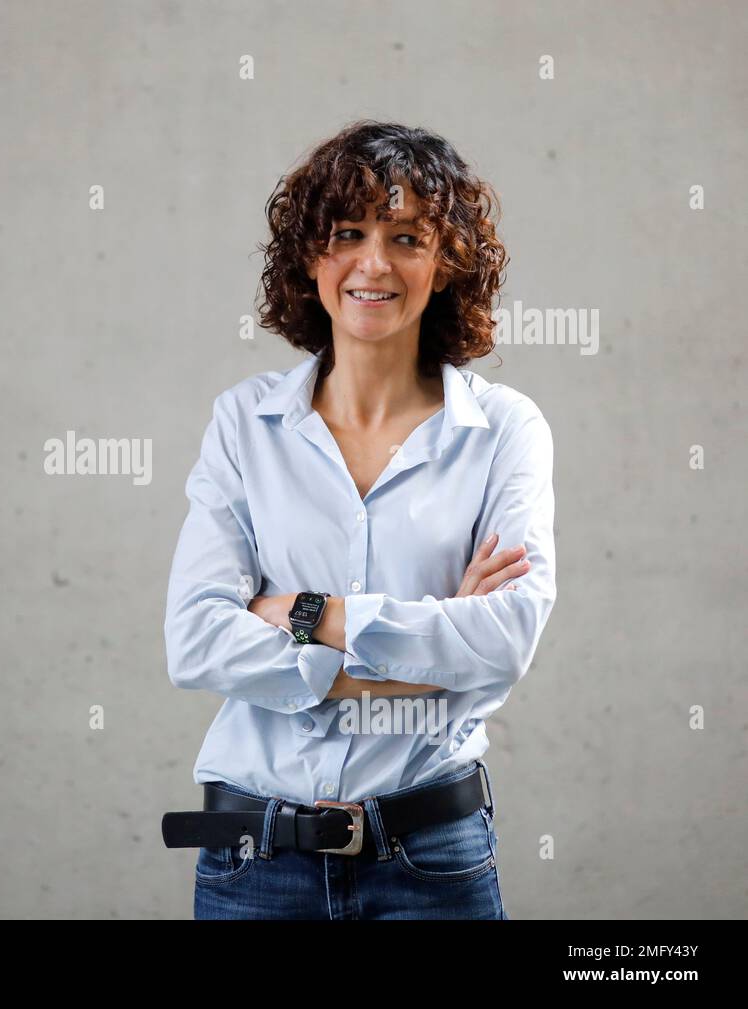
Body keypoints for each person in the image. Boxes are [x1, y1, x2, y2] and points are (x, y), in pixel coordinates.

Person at [161, 121, 556, 919]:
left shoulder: (505, 430)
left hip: (432, 859)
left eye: (407, 236)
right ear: (311, 256)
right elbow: (195, 640)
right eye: (349, 233)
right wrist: (436, 645)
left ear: (444, 264)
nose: (374, 263)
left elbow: (508, 636)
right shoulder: (244, 424)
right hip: (254, 862)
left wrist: (306, 615)